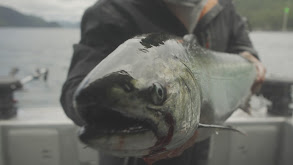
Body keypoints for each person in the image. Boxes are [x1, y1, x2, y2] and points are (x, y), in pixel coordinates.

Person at [60, 0, 266, 164]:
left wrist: (253, 62)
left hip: (199, 156)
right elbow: (76, 87)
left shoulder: (224, 7)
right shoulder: (111, 10)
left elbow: (243, 48)